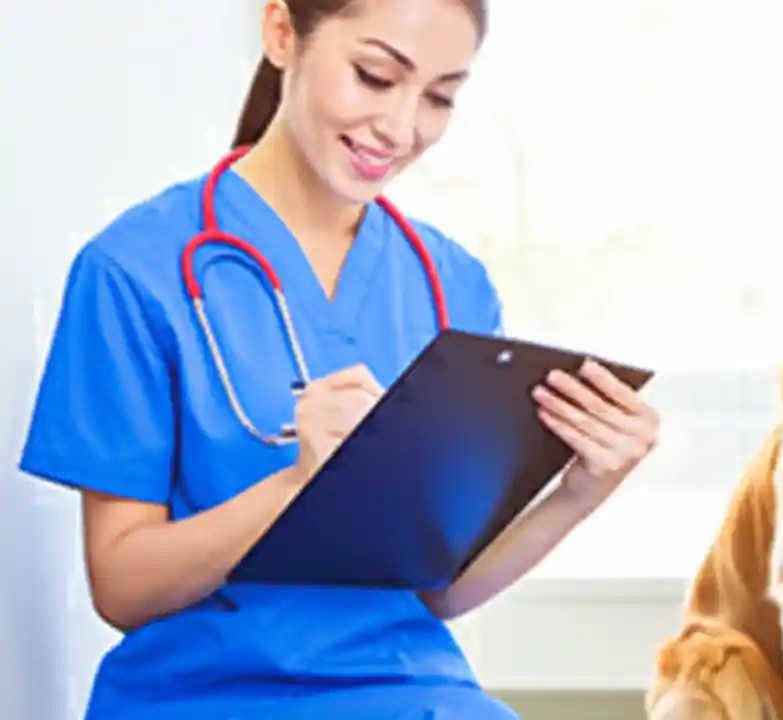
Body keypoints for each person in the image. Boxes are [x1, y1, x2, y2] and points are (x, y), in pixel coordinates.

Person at [17, 0, 660, 717]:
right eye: (375, 76)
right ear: (281, 32)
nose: (402, 127)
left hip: (413, 697)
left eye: (440, 96)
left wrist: (579, 492)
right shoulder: (135, 271)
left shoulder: (452, 286)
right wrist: (294, 485)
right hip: (204, 698)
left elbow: (439, 589)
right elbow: (120, 586)